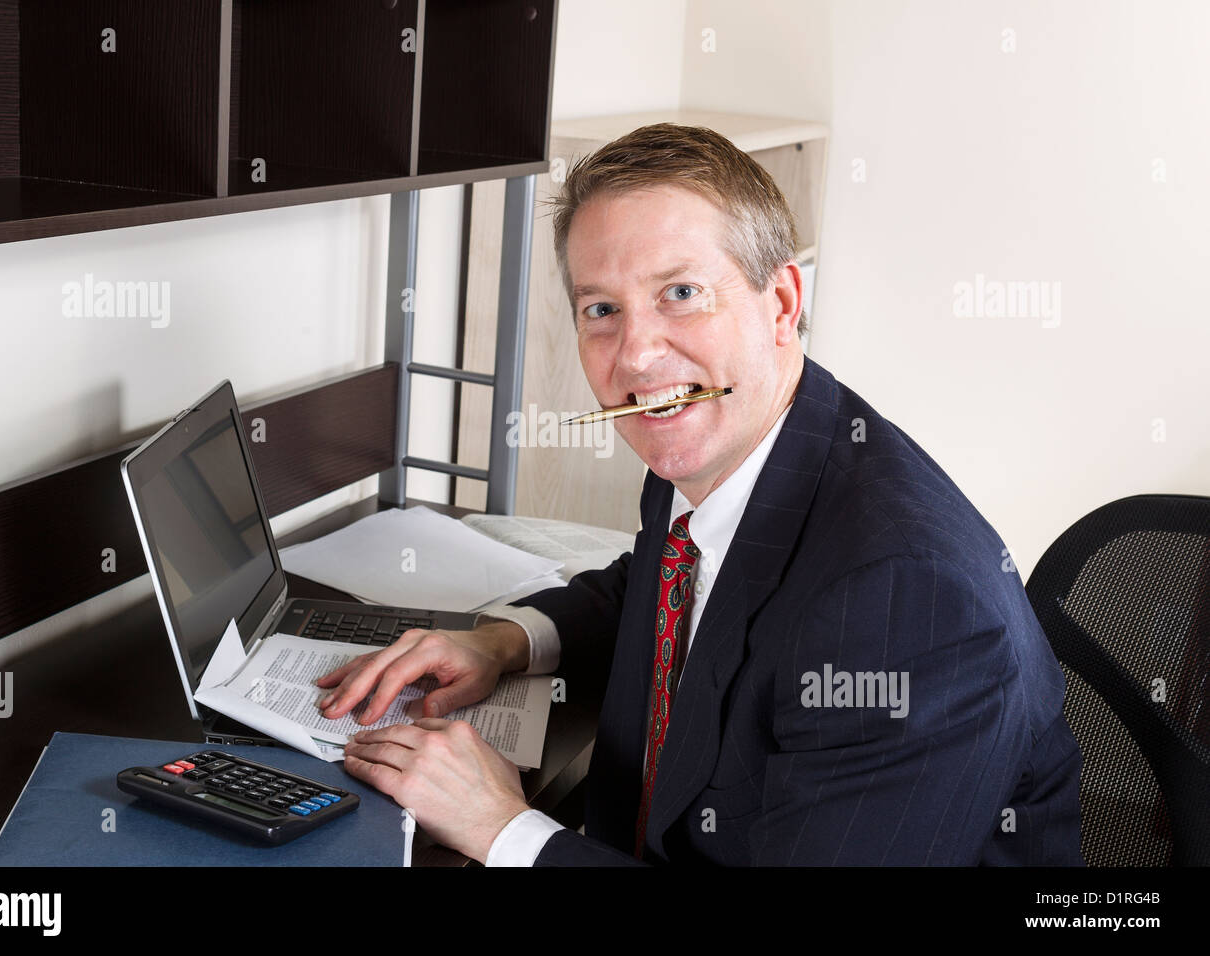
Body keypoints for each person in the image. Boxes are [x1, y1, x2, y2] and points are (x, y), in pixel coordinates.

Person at [316, 123, 1084, 866]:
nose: (639, 356)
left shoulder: (908, 605)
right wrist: (504, 643)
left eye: (681, 292)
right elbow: (662, 590)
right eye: (602, 310)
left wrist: (503, 828)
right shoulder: (721, 442)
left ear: (782, 302)